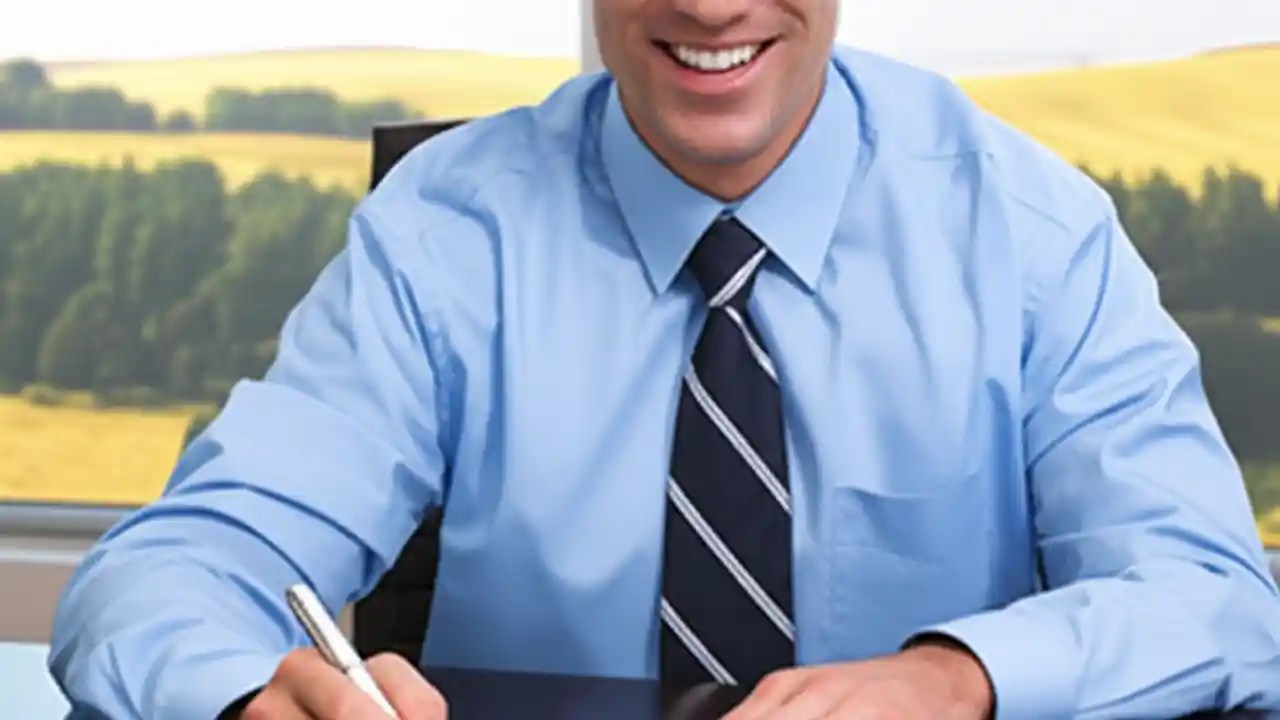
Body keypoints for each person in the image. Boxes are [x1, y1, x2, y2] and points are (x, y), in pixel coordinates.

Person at [48, 0, 1280, 718]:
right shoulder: (443, 232)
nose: (707, 3)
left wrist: (959, 677)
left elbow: (1216, 605)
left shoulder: (1031, 231)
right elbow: (166, 571)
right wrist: (241, 693)